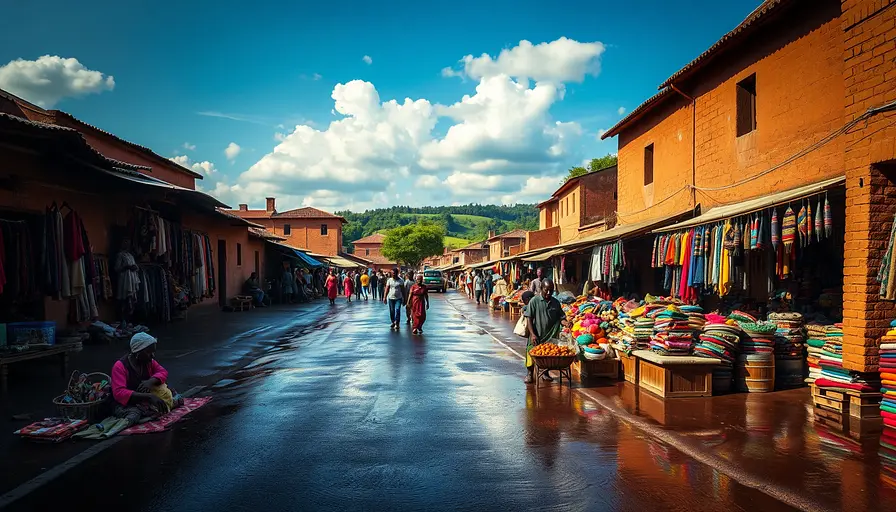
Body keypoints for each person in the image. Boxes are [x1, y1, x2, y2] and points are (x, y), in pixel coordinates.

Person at [111, 333, 182, 425]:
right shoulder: (120, 366)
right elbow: (119, 392)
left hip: (144, 401)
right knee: (134, 415)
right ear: (138, 352)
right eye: (149, 352)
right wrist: (148, 396)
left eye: (153, 352)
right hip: (126, 403)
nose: (152, 356)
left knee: (169, 397)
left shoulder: (149, 362)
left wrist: (150, 382)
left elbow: (163, 372)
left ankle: (150, 413)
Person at [524, 279, 564, 384]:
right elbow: (529, 318)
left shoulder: (555, 302)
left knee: (547, 355)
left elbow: (561, 317)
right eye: (546, 290)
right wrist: (532, 334)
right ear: (541, 288)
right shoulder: (534, 301)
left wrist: (566, 322)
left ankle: (545, 373)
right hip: (536, 334)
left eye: (551, 290)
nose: (549, 293)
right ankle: (529, 373)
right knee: (531, 353)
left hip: (550, 335)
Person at [114, 238, 141, 328]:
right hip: (124, 281)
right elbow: (117, 268)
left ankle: (129, 320)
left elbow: (136, 267)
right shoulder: (120, 255)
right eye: (125, 243)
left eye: (128, 243)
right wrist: (127, 267)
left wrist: (134, 267)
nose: (127, 245)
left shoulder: (130, 255)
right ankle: (122, 321)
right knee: (123, 300)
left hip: (131, 280)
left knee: (131, 300)